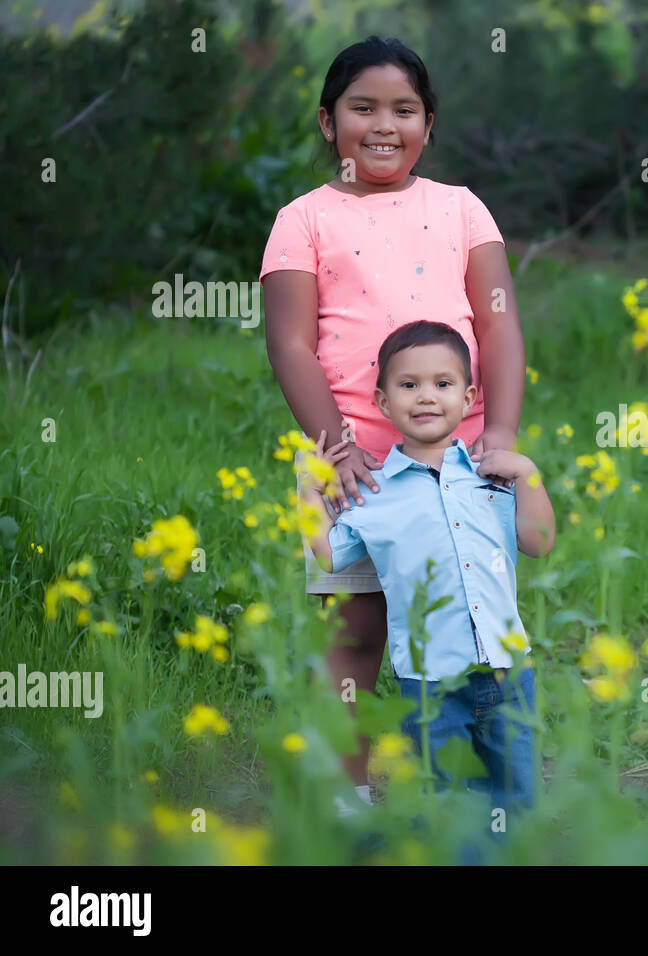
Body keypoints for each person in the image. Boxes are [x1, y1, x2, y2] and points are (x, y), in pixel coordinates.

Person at [260, 35, 526, 815]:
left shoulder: (460, 206)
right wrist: (334, 446)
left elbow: (500, 323)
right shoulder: (302, 218)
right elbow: (290, 341)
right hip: (354, 462)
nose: (384, 124)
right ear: (326, 122)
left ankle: (457, 785)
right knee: (356, 630)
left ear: (429, 123)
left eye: (404, 109)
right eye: (362, 107)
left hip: (459, 461)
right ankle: (347, 796)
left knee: (464, 630)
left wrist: (501, 435)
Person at [298, 320, 555, 824]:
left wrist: (527, 474)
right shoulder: (374, 493)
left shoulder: (494, 476)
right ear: (382, 401)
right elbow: (330, 555)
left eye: (443, 384)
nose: (426, 397)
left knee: (517, 796)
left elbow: (538, 543)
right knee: (443, 800)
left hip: (506, 669)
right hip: (429, 679)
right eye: (408, 385)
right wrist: (309, 490)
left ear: (469, 397)